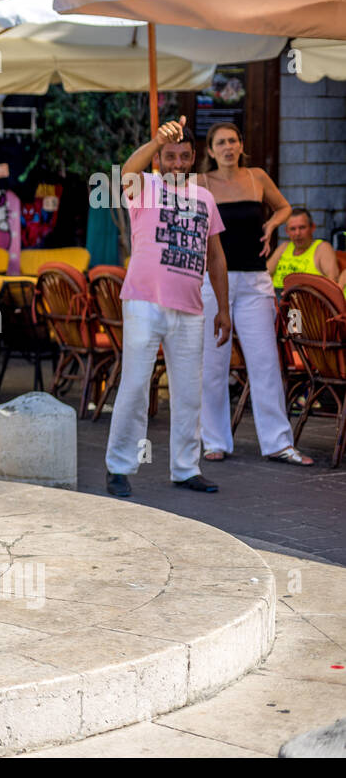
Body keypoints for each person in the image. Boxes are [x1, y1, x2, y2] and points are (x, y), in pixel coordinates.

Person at [105, 116, 232, 497]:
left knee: (189, 391)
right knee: (135, 385)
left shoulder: (205, 198)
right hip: (144, 302)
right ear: (160, 159)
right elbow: (126, 169)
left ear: (194, 159)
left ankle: (185, 468)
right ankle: (119, 467)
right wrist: (156, 139)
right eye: (169, 156)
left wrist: (223, 309)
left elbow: (216, 257)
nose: (177, 163)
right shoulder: (144, 187)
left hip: (191, 308)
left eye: (184, 157)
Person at [197, 122, 312, 465]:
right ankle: (213, 440)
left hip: (255, 281)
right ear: (210, 150)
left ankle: (279, 443)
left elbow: (284, 207)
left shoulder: (257, 177)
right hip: (213, 281)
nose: (228, 147)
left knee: (265, 363)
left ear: (241, 144)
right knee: (213, 364)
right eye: (221, 142)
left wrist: (272, 225)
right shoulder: (200, 183)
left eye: (233, 140)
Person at [268, 207, 340, 294]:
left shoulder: (321, 248)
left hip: (305, 301)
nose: (297, 233)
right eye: (293, 229)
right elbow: (265, 272)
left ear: (312, 227)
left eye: (302, 227)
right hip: (277, 298)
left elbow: (333, 281)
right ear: (287, 231)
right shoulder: (284, 247)